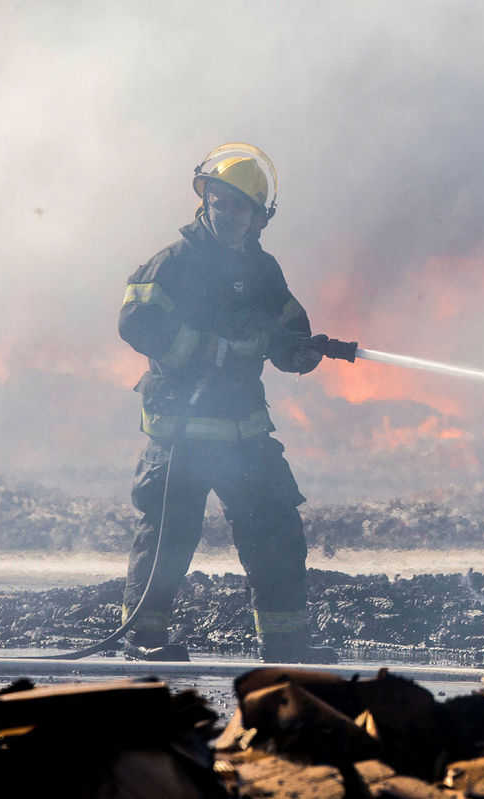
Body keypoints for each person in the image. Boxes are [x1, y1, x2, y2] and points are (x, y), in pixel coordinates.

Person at [117, 143, 333, 662]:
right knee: (169, 535)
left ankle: (285, 643)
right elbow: (135, 323)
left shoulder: (263, 271)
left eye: (240, 206)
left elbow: (286, 333)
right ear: (205, 200)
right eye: (220, 200)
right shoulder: (174, 262)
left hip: (243, 429)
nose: (227, 212)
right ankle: (143, 639)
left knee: (276, 527)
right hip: (182, 427)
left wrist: (302, 353)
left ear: (259, 217)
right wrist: (206, 349)